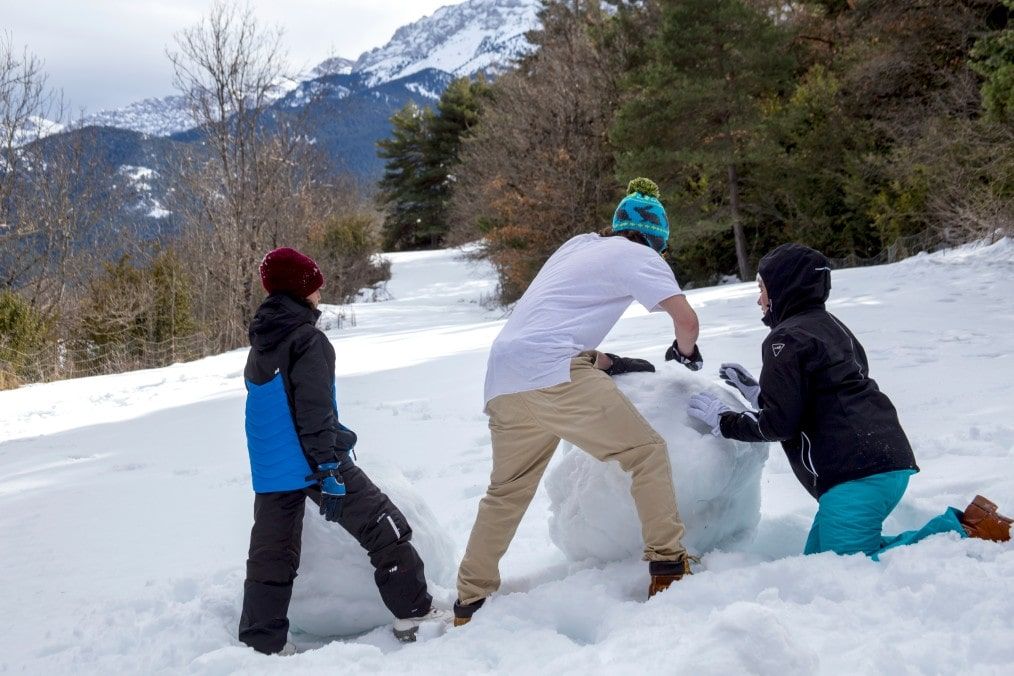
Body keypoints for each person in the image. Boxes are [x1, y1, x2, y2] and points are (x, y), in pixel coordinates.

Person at [453, 178, 704, 627]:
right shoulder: (641, 255)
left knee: (505, 494)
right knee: (645, 453)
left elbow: (555, 315)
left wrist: (605, 360)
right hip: (553, 373)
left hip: (503, 377)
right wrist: (685, 355)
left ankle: (469, 603)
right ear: (657, 241)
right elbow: (686, 321)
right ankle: (668, 567)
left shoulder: (578, 246)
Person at [687, 243, 1011, 559]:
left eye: (762, 288)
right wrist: (760, 393)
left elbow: (780, 424)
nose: (759, 300)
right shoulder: (832, 327)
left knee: (852, 565)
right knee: (819, 564)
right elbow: (826, 395)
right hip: (881, 459)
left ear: (784, 287)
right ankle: (966, 531)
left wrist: (723, 421)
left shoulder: (785, 339)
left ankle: (966, 533)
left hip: (856, 473)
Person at [238, 247, 443, 654]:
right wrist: (330, 466)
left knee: (271, 557)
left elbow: (283, 403)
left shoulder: (264, 339)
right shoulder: (307, 339)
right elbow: (313, 410)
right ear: (300, 290)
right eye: (314, 285)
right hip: (314, 460)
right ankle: (415, 611)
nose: (319, 294)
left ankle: (262, 642)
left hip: (271, 467)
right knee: (385, 525)